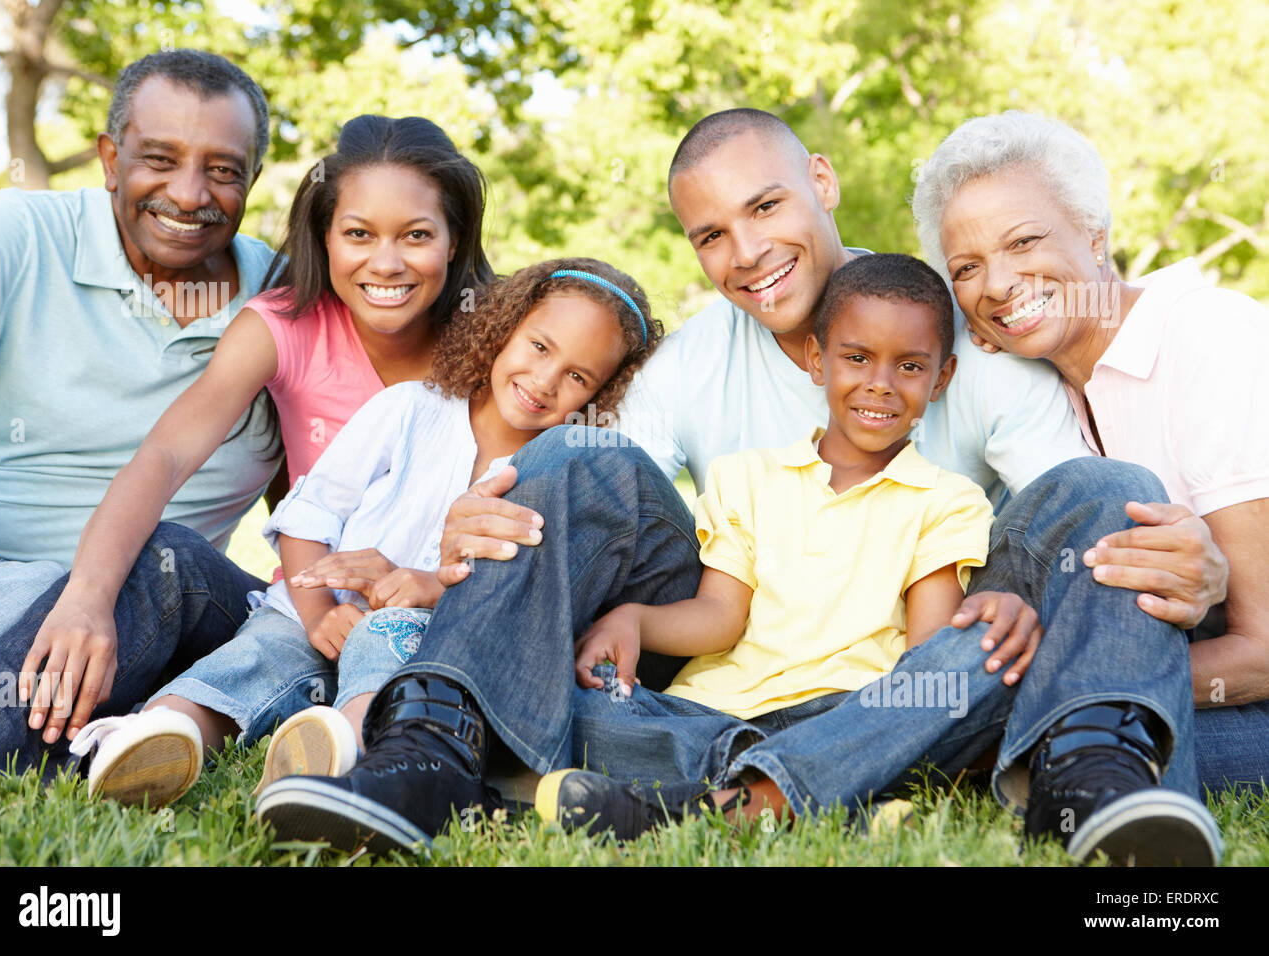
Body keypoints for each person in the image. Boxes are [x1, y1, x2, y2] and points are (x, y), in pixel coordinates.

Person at [253, 109, 1227, 865]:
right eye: (710, 234)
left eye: (764, 208)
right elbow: (610, 507)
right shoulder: (694, 364)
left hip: (925, 676)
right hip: (728, 673)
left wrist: (1124, 566)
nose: (746, 253)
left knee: (1108, 489)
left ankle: (1090, 778)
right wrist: (506, 512)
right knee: (576, 458)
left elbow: (1071, 517)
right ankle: (425, 749)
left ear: (822, 179)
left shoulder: (947, 332)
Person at [0, 112, 494, 776]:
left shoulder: (500, 342)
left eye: (417, 235)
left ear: (454, 241)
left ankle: (353, 739)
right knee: (169, 558)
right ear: (325, 238)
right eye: (358, 234)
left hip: (445, 611)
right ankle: (116, 737)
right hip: (303, 612)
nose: (385, 263)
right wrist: (87, 599)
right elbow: (163, 459)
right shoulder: (287, 325)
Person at [66, 258, 662, 809]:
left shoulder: (554, 478)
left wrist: (428, 587)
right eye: (538, 346)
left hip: (418, 640)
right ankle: (159, 729)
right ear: (504, 327)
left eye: (578, 376)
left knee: (384, 662)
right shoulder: (408, 409)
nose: (544, 379)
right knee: (257, 659)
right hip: (312, 611)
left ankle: (338, 753)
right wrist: (320, 613)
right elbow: (307, 519)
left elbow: (518, 604)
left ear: (600, 394)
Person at [535, 253, 1029, 837]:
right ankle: (824, 795)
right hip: (714, 713)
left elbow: (925, 659)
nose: (880, 383)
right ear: (818, 361)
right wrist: (634, 620)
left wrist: (905, 709)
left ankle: (696, 805)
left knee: (966, 672)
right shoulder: (745, 476)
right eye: (857, 358)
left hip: (844, 715)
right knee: (587, 708)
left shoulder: (949, 500)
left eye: (910, 367)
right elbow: (721, 616)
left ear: (941, 379)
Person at [913, 109, 1269, 795]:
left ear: (1095, 234)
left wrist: (1060, 685)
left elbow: (1262, 648)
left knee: (1006, 752)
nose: (997, 284)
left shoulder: (1209, 338)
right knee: (988, 745)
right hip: (1162, 673)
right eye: (968, 268)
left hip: (1254, 694)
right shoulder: (1045, 387)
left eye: (1024, 242)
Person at [0, 49, 276, 769]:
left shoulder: (286, 308)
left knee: (161, 561)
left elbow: (334, 489)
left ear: (251, 181)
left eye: (223, 170)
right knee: (27, 591)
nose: (190, 193)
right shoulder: (16, 236)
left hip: (150, 602)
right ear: (111, 159)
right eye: (159, 159)